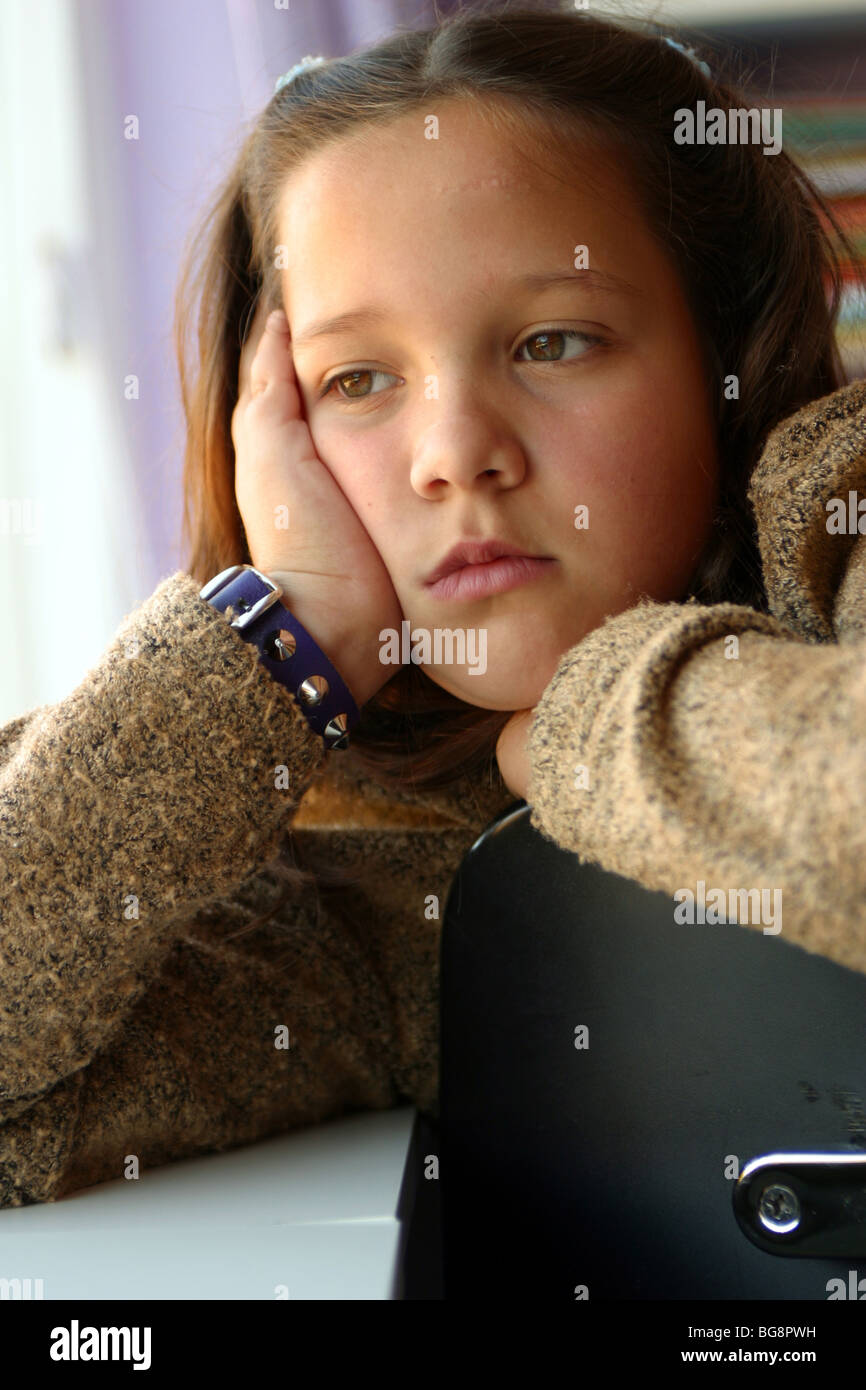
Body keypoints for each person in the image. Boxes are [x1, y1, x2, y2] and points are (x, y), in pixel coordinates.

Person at [1, 2, 864, 1213]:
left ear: (726, 356)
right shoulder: (389, 908)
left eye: (553, 342)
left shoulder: (840, 501)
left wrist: (583, 709)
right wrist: (274, 636)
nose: (454, 452)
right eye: (356, 380)